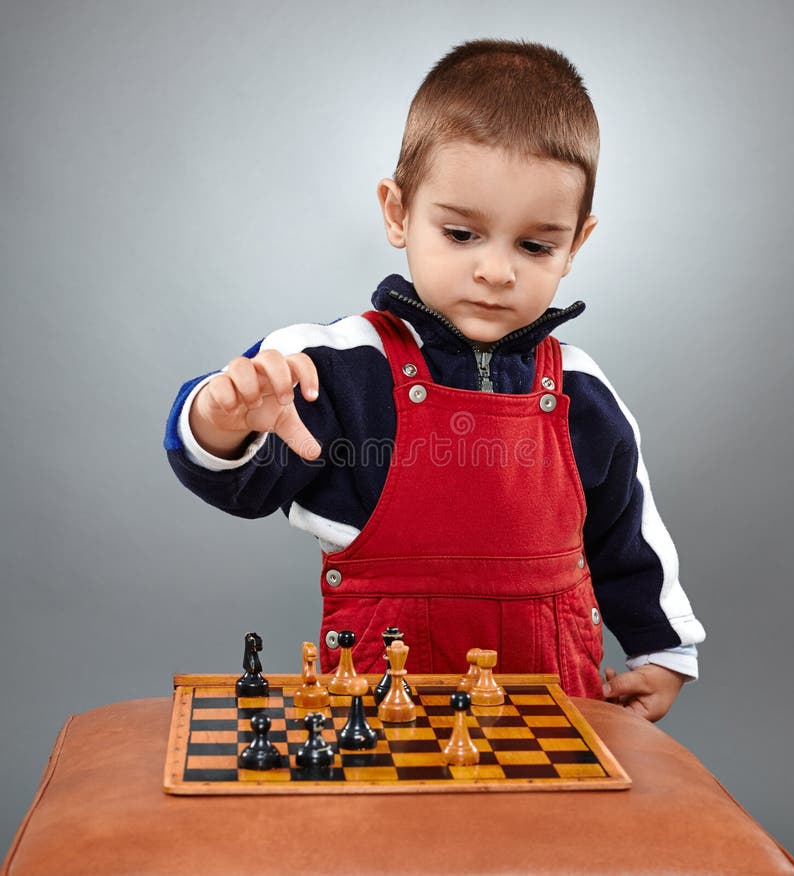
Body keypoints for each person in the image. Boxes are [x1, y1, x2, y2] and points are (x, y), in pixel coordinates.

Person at [165, 38, 705, 721]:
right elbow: (240, 486)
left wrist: (664, 650)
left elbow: (627, 534)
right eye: (461, 234)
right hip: (382, 719)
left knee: (552, 833)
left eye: (535, 245)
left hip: (553, 717)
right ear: (398, 212)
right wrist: (222, 419)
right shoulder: (334, 368)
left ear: (576, 245)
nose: (496, 270)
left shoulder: (582, 390)